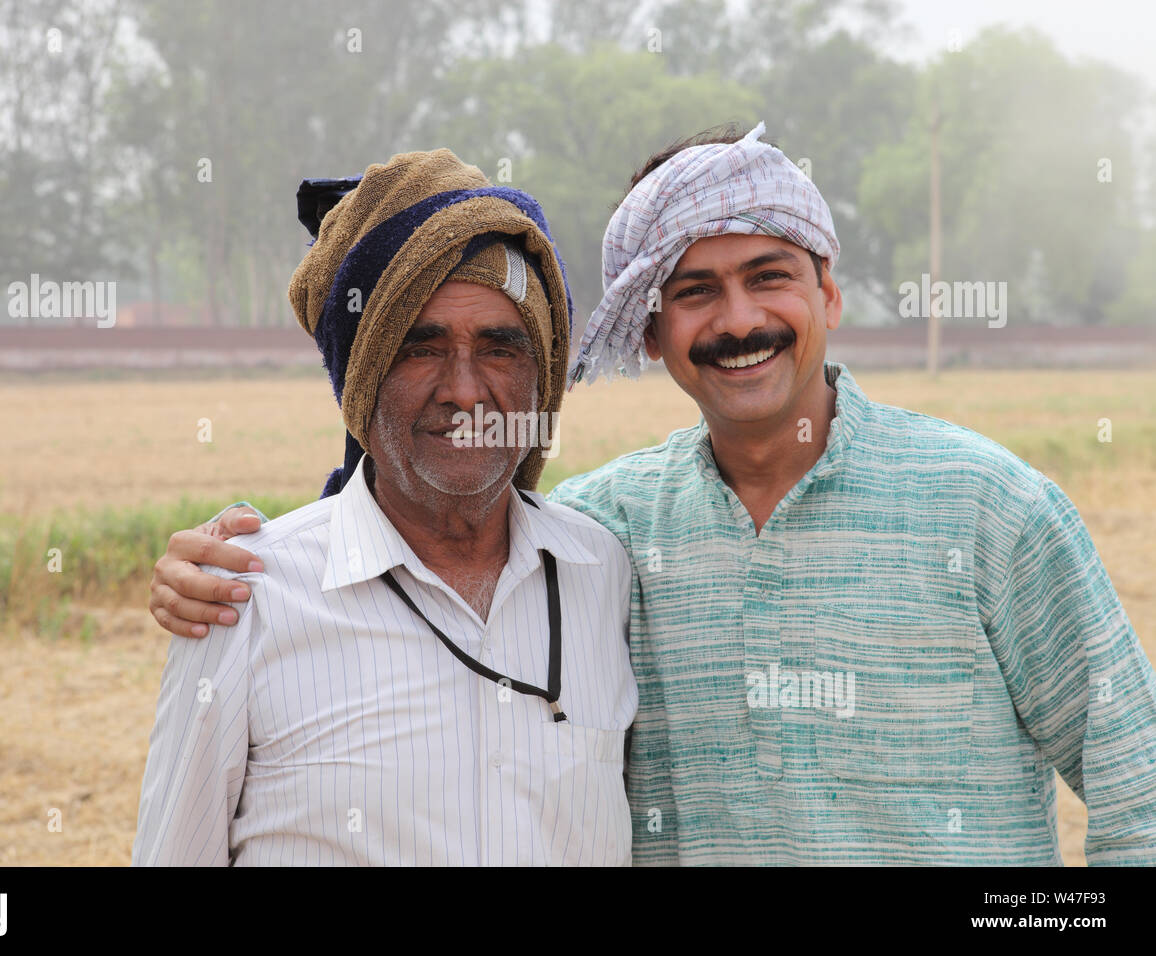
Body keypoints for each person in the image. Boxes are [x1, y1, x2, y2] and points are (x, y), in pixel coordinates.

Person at [151, 122, 1156, 865]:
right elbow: (418, 526)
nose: (738, 319)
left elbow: (1138, 792)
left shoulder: (988, 509)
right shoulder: (608, 534)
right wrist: (239, 563)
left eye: (768, 274)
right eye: (692, 291)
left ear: (829, 295)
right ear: (649, 329)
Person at [132, 148, 636, 866]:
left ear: (542, 381)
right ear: (362, 388)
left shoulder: (604, 576)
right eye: (420, 348)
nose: (465, 390)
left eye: (500, 348)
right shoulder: (244, 601)